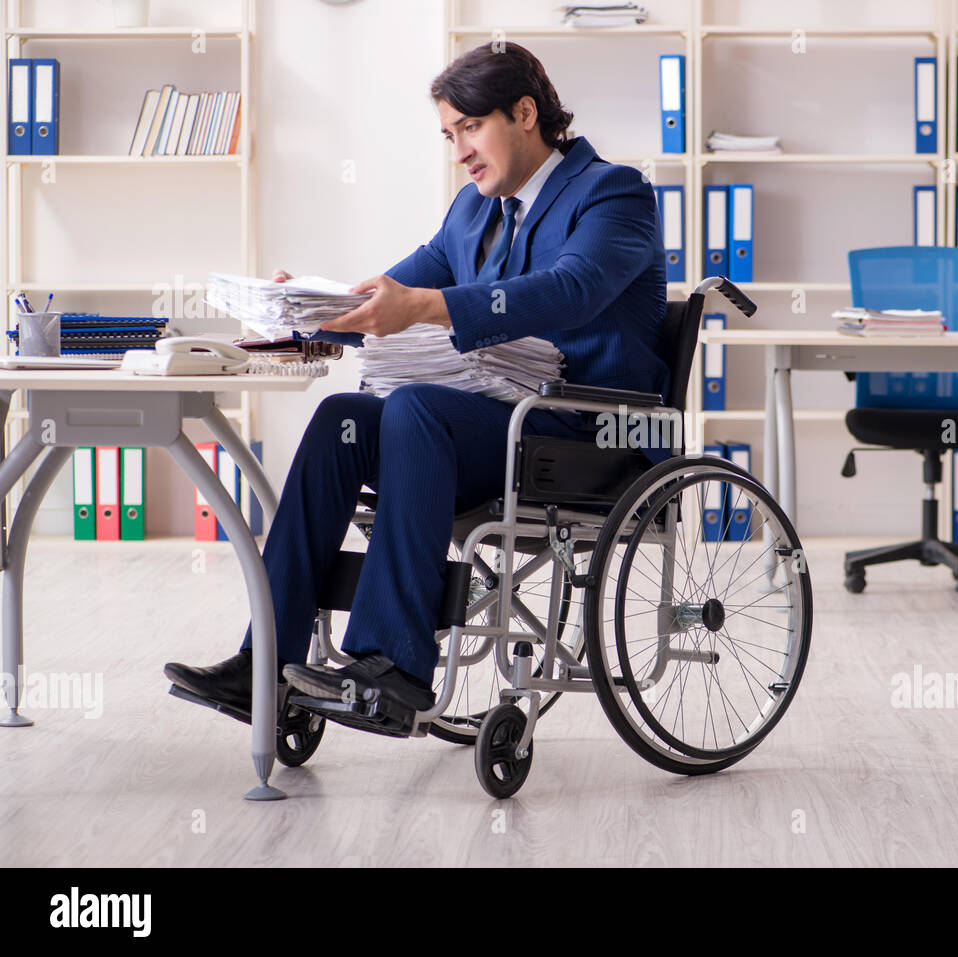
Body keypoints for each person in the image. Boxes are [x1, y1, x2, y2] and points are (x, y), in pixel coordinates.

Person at [165, 41, 668, 720]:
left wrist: (427, 307)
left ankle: (393, 665)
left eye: (470, 128)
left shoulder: (614, 192)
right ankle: (265, 664)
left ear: (525, 113)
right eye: (449, 134)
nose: (459, 150)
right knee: (342, 419)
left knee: (416, 410)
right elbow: (391, 296)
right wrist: (305, 313)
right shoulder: (471, 211)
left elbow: (572, 289)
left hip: (582, 432)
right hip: (491, 422)